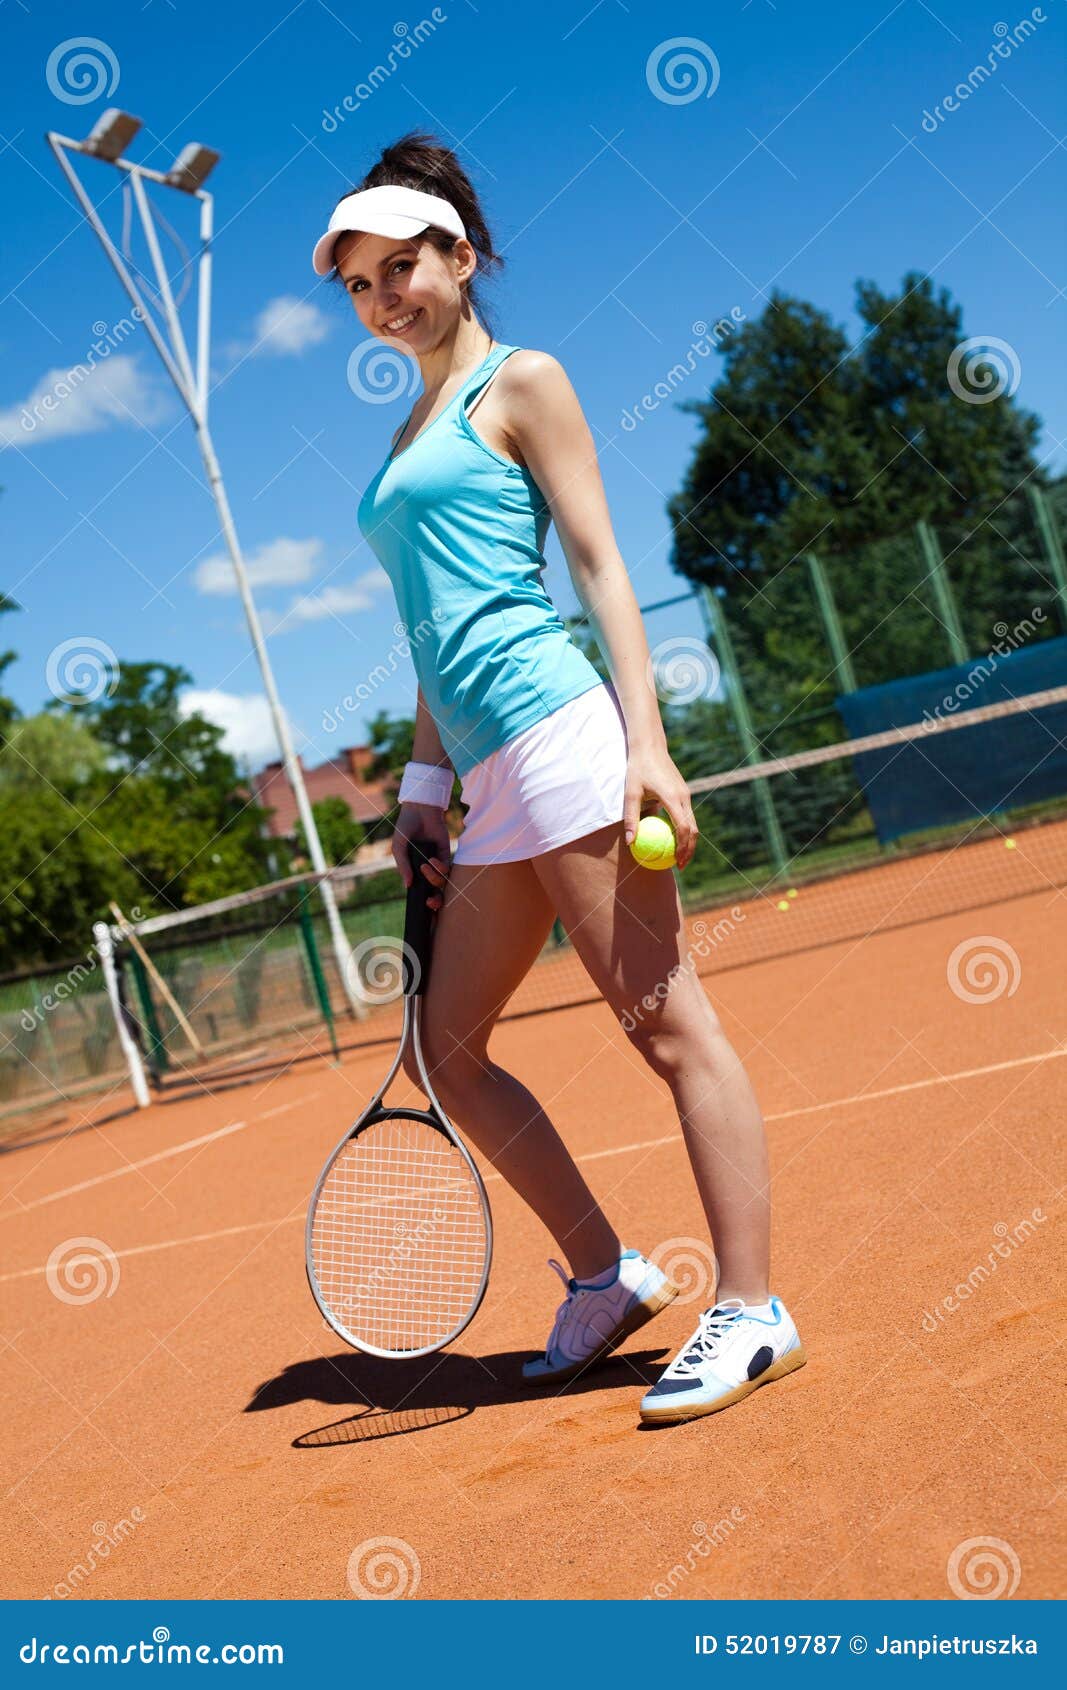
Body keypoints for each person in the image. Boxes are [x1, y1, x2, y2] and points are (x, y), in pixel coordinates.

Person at [311, 132, 805, 1422]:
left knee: (664, 1024)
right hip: (483, 778)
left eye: (402, 267)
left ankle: (751, 1310)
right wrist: (424, 782)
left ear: (459, 259)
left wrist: (646, 742)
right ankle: (606, 1275)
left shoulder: (520, 383)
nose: (383, 299)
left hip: (564, 736)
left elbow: (595, 562)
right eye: (360, 283)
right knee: (446, 1049)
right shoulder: (410, 421)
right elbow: (432, 627)